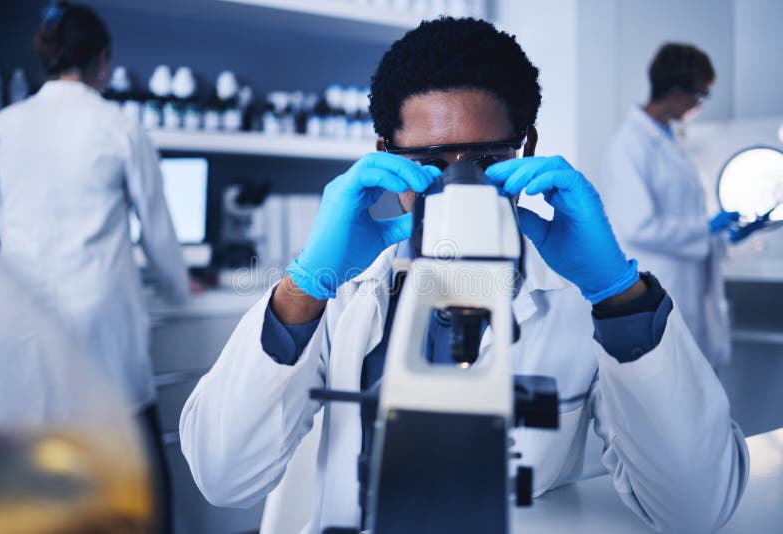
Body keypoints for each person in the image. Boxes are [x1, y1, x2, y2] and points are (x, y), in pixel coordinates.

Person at [180, 18, 748, 534]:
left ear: (527, 150)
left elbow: (699, 508)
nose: (459, 187)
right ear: (384, 155)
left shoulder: (576, 303)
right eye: (430, 165)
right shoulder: (348, 295)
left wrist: (618, 293)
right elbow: (224, 477)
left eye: (486, 161)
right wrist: (305, 284)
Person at [0, 2, 187, 531]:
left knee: (35, 470)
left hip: (21, 324)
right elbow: (158, 229)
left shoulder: (4, 124)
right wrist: (179, 289)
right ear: (103, 61)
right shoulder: (117, 125)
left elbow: (5, 221)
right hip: (100, 321)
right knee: (134, 470)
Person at [600, 43, 764, 368]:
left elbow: (687, 220)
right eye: (700, 95)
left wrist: (727, 237)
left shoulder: (673, 140)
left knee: (700, 392)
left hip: (693, 290)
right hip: (662, 288)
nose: (700, 104)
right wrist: (707, 227)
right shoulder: (629, 146)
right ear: (676, 92)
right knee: (673, 389)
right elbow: (638, 226)